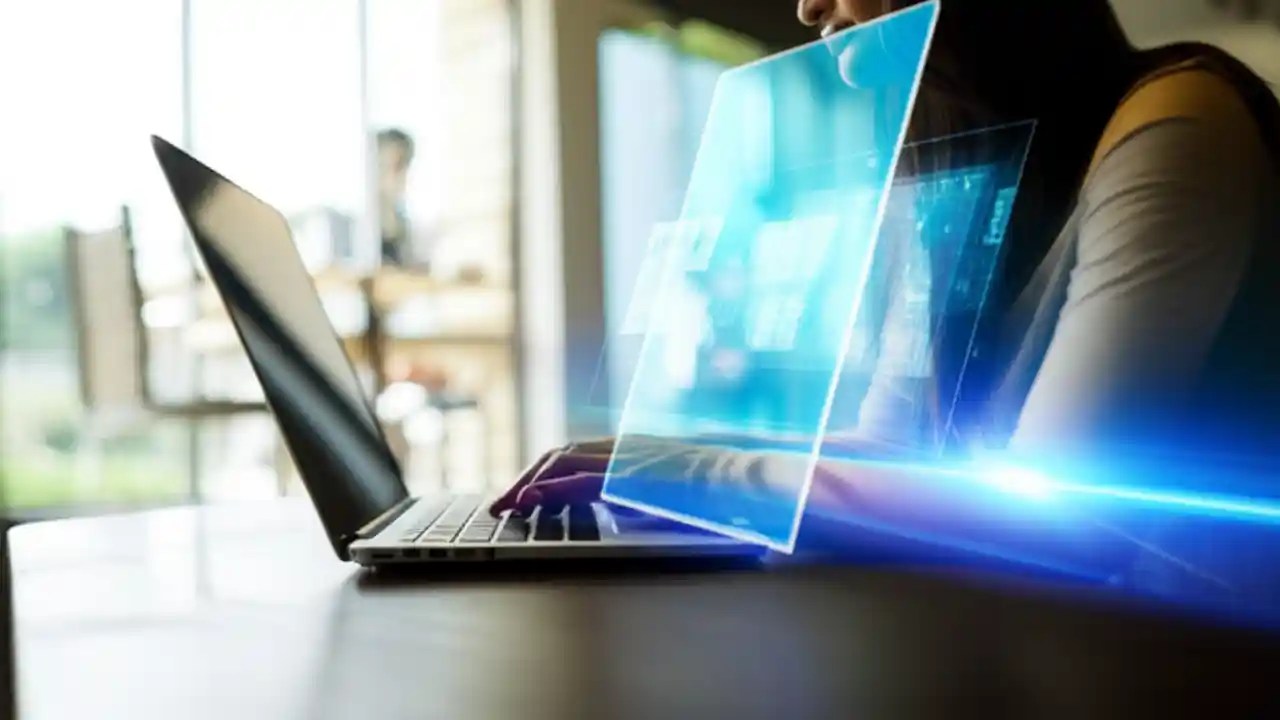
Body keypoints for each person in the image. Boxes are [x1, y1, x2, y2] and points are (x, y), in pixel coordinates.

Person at [491, 0, 1280, 539]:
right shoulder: (960, 155)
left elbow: (1058, 504)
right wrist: (646, 460)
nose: (805, 6)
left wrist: (698, 471)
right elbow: (893, 441)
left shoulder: (1177, 128)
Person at [376, 128, 416, 266]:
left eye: (402, 167)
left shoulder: (402, 226)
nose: (398, 177)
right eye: (388, 167)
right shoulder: (349, 229)